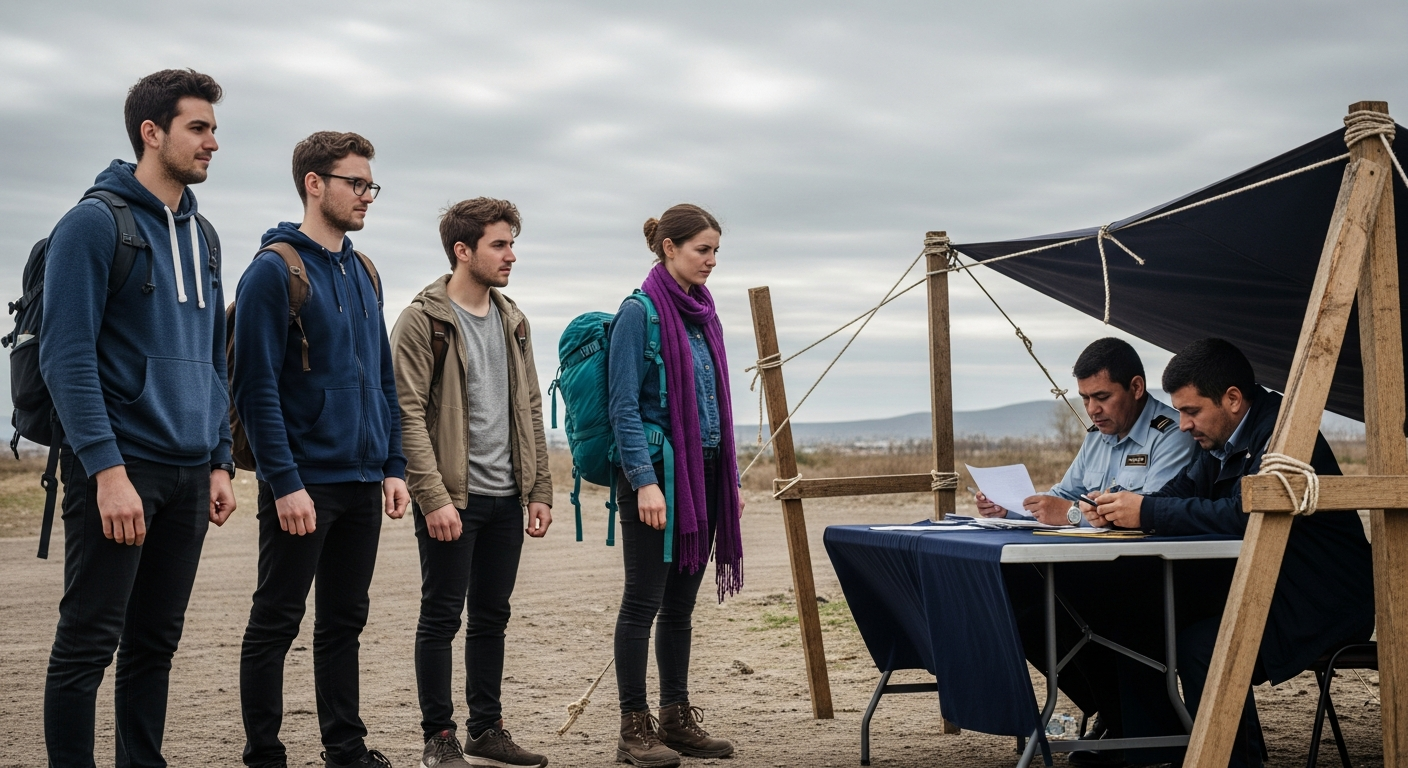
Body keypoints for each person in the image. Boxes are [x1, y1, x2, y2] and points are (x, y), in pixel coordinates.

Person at [39, 68, 235, 768]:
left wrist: (218, 456)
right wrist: (106, 470)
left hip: (188, 470)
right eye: (198, 127)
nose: (214, 141)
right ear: (151, 133)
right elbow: (65, 358)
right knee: (88, 641)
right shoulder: (93, 224)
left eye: (213, 127)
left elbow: (214, 357)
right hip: (121, 469)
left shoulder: (205, 234)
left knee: (156, 644)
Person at [1089, 338, 1375, 768]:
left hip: (1318, 600)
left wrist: (1148, 511)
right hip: (1265, 584)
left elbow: (1249, 515)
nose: (1183, 425)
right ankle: (1149, 752)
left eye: (1191, 411)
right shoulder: (1221, 439)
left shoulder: (1285, 435)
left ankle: (1235, 762)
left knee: (1202, 644)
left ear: (1233, 399)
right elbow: (1184, 491)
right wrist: (1125, 509)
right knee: (1135, 611)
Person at [233, 131, 409, 768]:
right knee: (275, 621)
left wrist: (392, 466)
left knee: (344, 622)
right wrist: (284, 483)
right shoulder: (272, 271)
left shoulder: (364, 270)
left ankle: (346, 748)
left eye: (371, 185)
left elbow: (382, 379)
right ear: (314, 183)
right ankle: (265, 755)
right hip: (302, 483)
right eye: (355, 183)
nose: (367, 195)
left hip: (363, 480)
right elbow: (254, 389)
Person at [389, 197, 554, 768]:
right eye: (499, 244)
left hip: (507, 496)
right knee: (441, 616)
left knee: (492, 615)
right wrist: (432, 497)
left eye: (512, 243)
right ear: (463, 251)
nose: (512, 255)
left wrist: (539, 489)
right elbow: (405, 413)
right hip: (452, 499)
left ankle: (487, 729)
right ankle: (439, 738)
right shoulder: (423, 320)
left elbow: (530, 407)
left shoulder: (514, 320)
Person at [981, 338, 1197, 763]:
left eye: (1102, 397)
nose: (1092, 409)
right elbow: (1063, 496)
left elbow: (1149, 512)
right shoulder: (1098, 437)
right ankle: (1113, 710)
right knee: (1018, 594)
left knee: (1076, 604)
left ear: (1136, 387)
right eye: (1084, 399)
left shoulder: (1171, 434)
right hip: (1098, 570)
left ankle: (1138, 726)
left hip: (1152, 576)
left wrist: (1073, 516)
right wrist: (1015, 506)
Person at [607, 204, 744, 768]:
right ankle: (632, 728)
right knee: (642, 602)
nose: (711, 261)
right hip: (657, 478)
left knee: (680, 608)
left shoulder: (703, 313)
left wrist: (727, 479)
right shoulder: (639, 312)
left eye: (716, 250)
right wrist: (643, 482)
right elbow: (622, 408)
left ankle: (675, 718)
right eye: (701, 249)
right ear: (669, 248)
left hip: (702, 475)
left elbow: (715, 408)